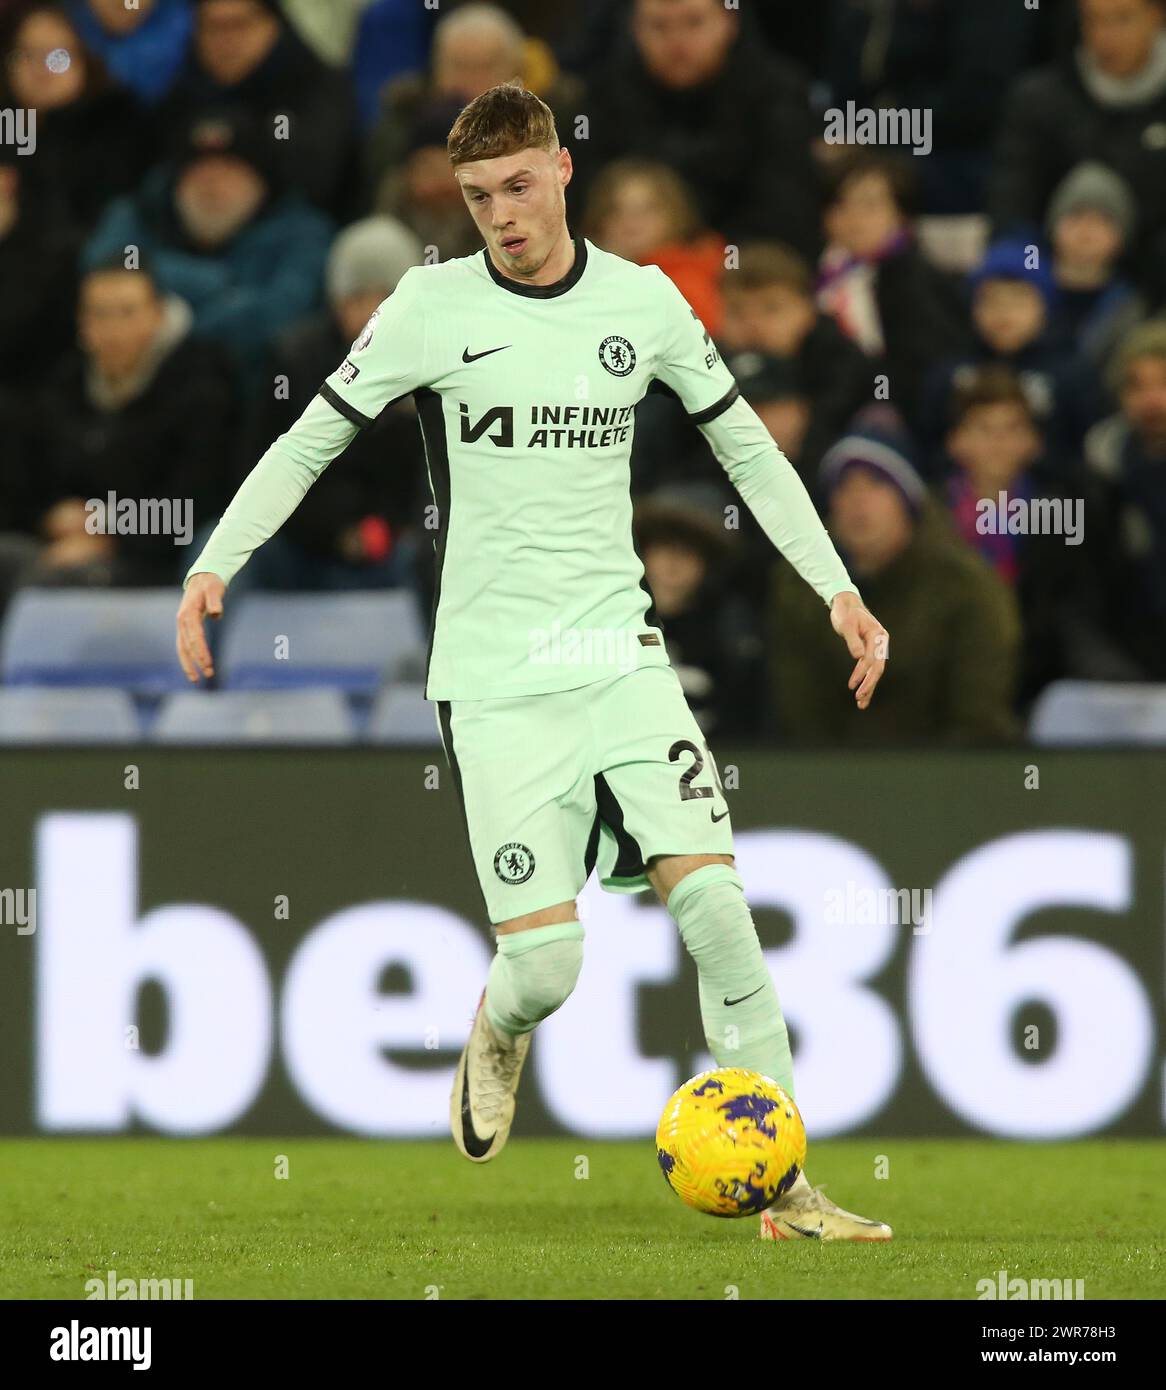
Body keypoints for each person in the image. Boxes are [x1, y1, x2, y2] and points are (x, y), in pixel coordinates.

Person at [176, 80, 893, 1243]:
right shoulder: (426, 307)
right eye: (475, 197)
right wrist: (217, 562)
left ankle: (784, 1185)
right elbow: (311, 438)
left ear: (563, 171)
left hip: (619, 653)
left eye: (517, 186)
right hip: (496, 677)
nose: (500, 215)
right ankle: (500, 1025)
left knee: (715, 907)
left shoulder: (644, 301)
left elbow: (748, 451)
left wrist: (838, 591)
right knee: (547, 966)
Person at [772, 428, 1021, 746]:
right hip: (832, 774)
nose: (857, 501)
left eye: (875, 484)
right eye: (843, 487)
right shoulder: (799, 585)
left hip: (942, 773)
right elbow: (799, 711)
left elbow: (979, 716)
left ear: (908, 502)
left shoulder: (966, 586)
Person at [85, 108, 334, 391]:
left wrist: (168, 325)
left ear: (260, 180)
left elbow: (280, 318)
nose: (213, 185)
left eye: (229, 169)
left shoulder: (303, 232)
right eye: (200, 170)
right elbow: (104, 275)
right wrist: (222, 285)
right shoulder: (140, 213)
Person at [29, 260, 238, 586]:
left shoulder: (200, 388)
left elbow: (194, 510)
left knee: (60, 580)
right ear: (82, 323)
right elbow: (33, 484)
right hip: (64, 547)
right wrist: (51, 516)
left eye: (127, 312)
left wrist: (107, 530)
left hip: (164, 560)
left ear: (158, 316)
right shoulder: (63, 387)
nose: (112, 329)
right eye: (99, 314)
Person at [574, 0, 820, 256]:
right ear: (634, 29)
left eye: (694, 22)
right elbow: (581, 210)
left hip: (739, 273)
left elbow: (788, 216)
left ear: (729, 22)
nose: (676, 42)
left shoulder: (777, 96)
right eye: (659, 26)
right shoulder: (601, 99)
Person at [990, 0, 1166, 301]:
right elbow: (1013, 209)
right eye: (1092, 20)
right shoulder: (1038, 100)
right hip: (1053, 291)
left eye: (1122, 19)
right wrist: (1030, 275)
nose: (1104, 36)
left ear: (1157, 17)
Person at [817, 153, 968, 423]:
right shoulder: (821, 276)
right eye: (840, 204)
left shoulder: (916, 281)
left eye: (870, 205)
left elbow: (922, 372)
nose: (854, 218)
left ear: (900, 214)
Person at [720, 241, 871, 482]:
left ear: (808, 310)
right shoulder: (705, 367)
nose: (753, 324)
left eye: (771, 309)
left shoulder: (840, 365)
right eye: (737, 311)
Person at [1084, 320, 1166, 678]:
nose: (1153, 400)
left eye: (1164, 383)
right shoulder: (1093, 484)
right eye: (1136, 386)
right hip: (1123, 674)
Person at [1045, 161, 1145, 367]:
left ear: (1122, 236)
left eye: (1102, 221)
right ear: (1054, 225)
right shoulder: (1030, 290)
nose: (1086, 232)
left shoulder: (1129, 306)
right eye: (1076, 216)